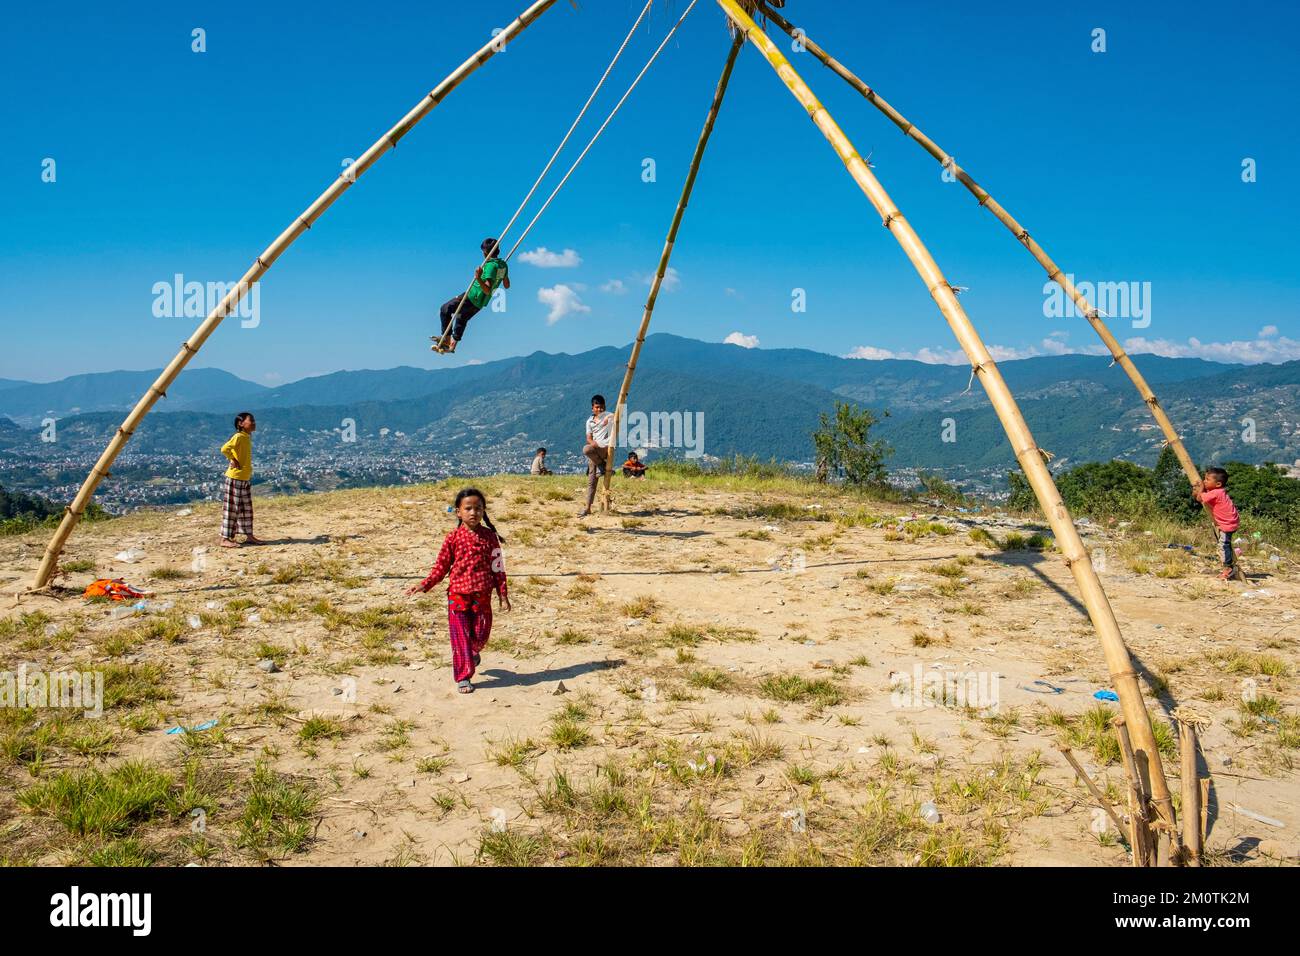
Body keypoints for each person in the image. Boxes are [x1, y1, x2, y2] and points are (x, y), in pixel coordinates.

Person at [406, 487, 510, 693]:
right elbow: (441, 566)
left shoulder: (490, 537)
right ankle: (463, 676)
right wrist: (424, 584)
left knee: (480, 635)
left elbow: (498, 568)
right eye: (468, 508)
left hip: (482, 596)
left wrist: (503, 595)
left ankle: (472, 652)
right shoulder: (452, 538)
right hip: (457, 597)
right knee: (460, 637)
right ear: (458, 512)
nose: (473, 512)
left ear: (484, 511)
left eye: (478, 508)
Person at [433, 238, 510, 354]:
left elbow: (488, 289)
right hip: (480, 303)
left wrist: (478, 277)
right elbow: (507, 285)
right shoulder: (503, 265)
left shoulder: (490, 266)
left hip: (472, 297)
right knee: (461, 317)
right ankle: (452, 346)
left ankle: (446, 339)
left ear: (485, 252)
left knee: (445, 309)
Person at [219, 412, 264, 548]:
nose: (254, 423)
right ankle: (225, 538)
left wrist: (234, 457)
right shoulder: (238, 436)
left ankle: (248, 535)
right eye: (251, 421)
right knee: (231, 509)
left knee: (246, 509)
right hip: (235, 477)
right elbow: (224, 449)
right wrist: (232, 459)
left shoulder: (246, 437)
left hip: (244, 478)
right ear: (241, 423)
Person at [1193, 467, 1240, 580]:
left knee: (1223, 545)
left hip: (1227, 523)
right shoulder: (1218, 491)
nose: (1204, 481)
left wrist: (1200, 488)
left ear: (1218, 484)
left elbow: (1200, 498)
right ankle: (1229, 566)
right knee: (1224, 543)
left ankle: (1228, 567)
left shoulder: (1216, 493)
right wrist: (1200, 488)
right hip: (1229, 521)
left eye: (1207, 480)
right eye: (1205, 479)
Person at [579, 394, 614, 517]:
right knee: (591, 482)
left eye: (602, 407)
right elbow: (589, 438)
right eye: (597, 407)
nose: (600, 410)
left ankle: (601, 465)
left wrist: (608, 418)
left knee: (586, 449)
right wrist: (595, 444)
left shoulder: (609, 416)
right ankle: (588, 508)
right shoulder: (589, 421)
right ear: (592, 408)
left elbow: (619, 417)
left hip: (605, 449)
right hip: (595, 451)